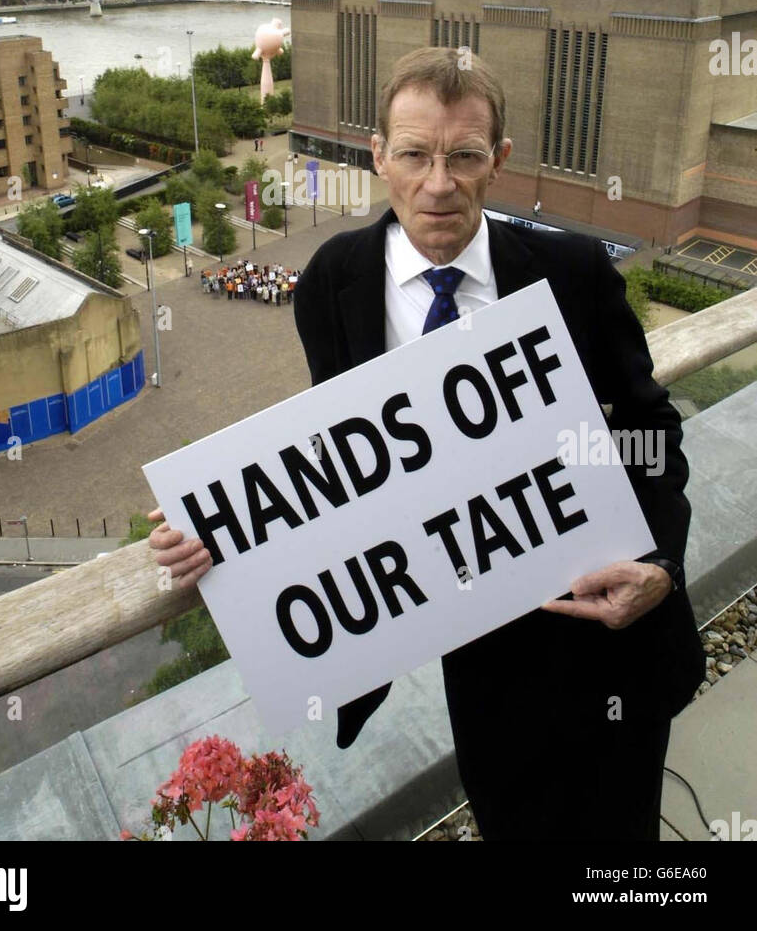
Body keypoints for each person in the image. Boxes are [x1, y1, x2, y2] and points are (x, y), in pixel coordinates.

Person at [149, 46, 704, 842]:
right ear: (377, 156)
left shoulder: (573, 272)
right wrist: (220, 529)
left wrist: (660, 568)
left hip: (605, 637)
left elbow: (649, 432)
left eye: (463, 156)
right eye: (412, 155)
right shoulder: (333, 283)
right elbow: (343, 467)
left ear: (499, 160)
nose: (437, 184)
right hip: (475, 660)